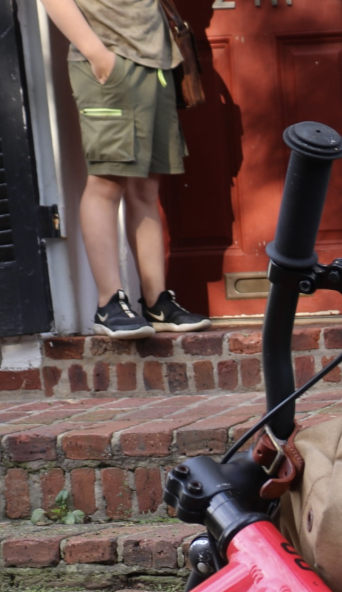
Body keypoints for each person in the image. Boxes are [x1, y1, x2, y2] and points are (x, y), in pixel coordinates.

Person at [41, 0, 211, 338]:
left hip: (157, 61)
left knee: (146, 187)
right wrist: (97, 54)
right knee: (108, 181)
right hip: (113, 58)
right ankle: (108, 304)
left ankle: (156, 300)